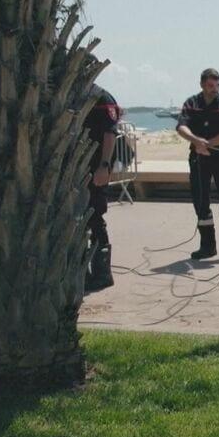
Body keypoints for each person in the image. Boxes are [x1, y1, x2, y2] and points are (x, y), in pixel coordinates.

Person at [176, 68, 219, 261]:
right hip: (198, 158)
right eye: (210, 85)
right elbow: (181, 126)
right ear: (202, 84)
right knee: (201, 200)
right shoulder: (192, 103)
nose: (214, 89)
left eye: (216, 85)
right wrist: (196, 141)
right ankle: (207, 246)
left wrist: (207, 144)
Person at [84, 84, 120, 292]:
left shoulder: (101, 97)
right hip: (77, 166)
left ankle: (102, 273)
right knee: (80, 218)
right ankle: (83, 271)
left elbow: (110, 133)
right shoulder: (73, 92)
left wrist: (104, 165)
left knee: (95, 214)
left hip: (96, 165)